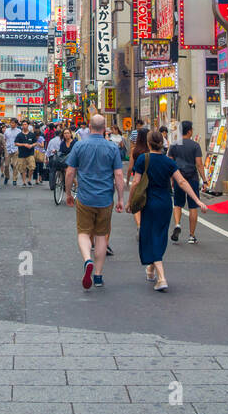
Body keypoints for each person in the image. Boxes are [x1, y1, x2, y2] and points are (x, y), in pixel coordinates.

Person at [130, 129, 209, 292]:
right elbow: (182, 182)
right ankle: (151, 270)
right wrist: (197, 200)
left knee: (150, 236)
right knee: (159, 235)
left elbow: (135, 183)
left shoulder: (143, 160)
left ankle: (161, 277)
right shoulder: (168, 162)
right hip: (165, 203)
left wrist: (129, 202)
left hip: (149, 203)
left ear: (148, 143)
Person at [65, 114, 126, 289]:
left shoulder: (80, 146)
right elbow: (119, 175)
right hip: (105, 198)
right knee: (101, 236)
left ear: (89, 127)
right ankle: (98, 275)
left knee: (84, 233)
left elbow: (70, 172)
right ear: (104, 127)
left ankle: (87, 259)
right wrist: (121, 198)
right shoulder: (112, 148)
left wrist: (69, 193)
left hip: (85, 197)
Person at [168, 120, 205, 244]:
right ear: (189, 131)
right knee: (193, 205)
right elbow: (199, 164)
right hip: (192, 177)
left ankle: (177, 224)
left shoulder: (174, 145)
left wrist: (171, 179)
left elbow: (170, 163)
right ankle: (191, 235)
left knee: (178, 204)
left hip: (179, 176)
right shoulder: (195, 145)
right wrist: (204, 179)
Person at [126, 128, 150, 227]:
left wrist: (127, 180)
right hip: (149, 180)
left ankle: (139, 225)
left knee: (136, 203)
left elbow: (130, 167)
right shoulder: (151, 150)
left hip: (138, 179)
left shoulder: (134, 150)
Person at [15, 122, 38, 186]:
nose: (24, 126)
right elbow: (16, 143)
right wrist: (24, 144)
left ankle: (29, 179)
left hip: (30, 153)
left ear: (28, 125)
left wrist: (31, 145)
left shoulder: (32, 134)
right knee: (22, 169)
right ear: (22, 126)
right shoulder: (19, 135)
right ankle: (24, 181)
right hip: (21, 154)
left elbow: (36, 143)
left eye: (26, 124)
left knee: (32, 166)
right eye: (23, 125)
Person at [3, 119, 22, 185]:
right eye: (11, 123)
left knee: (15, 165)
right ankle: (7, 176)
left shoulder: (19, 131)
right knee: (6, 165)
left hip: (15, 149)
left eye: (13, 123)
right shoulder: (7, 130)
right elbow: (4, 139)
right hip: (7, 149)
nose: (12, 124)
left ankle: (14, 179)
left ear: (16, 124)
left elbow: (21, 141)